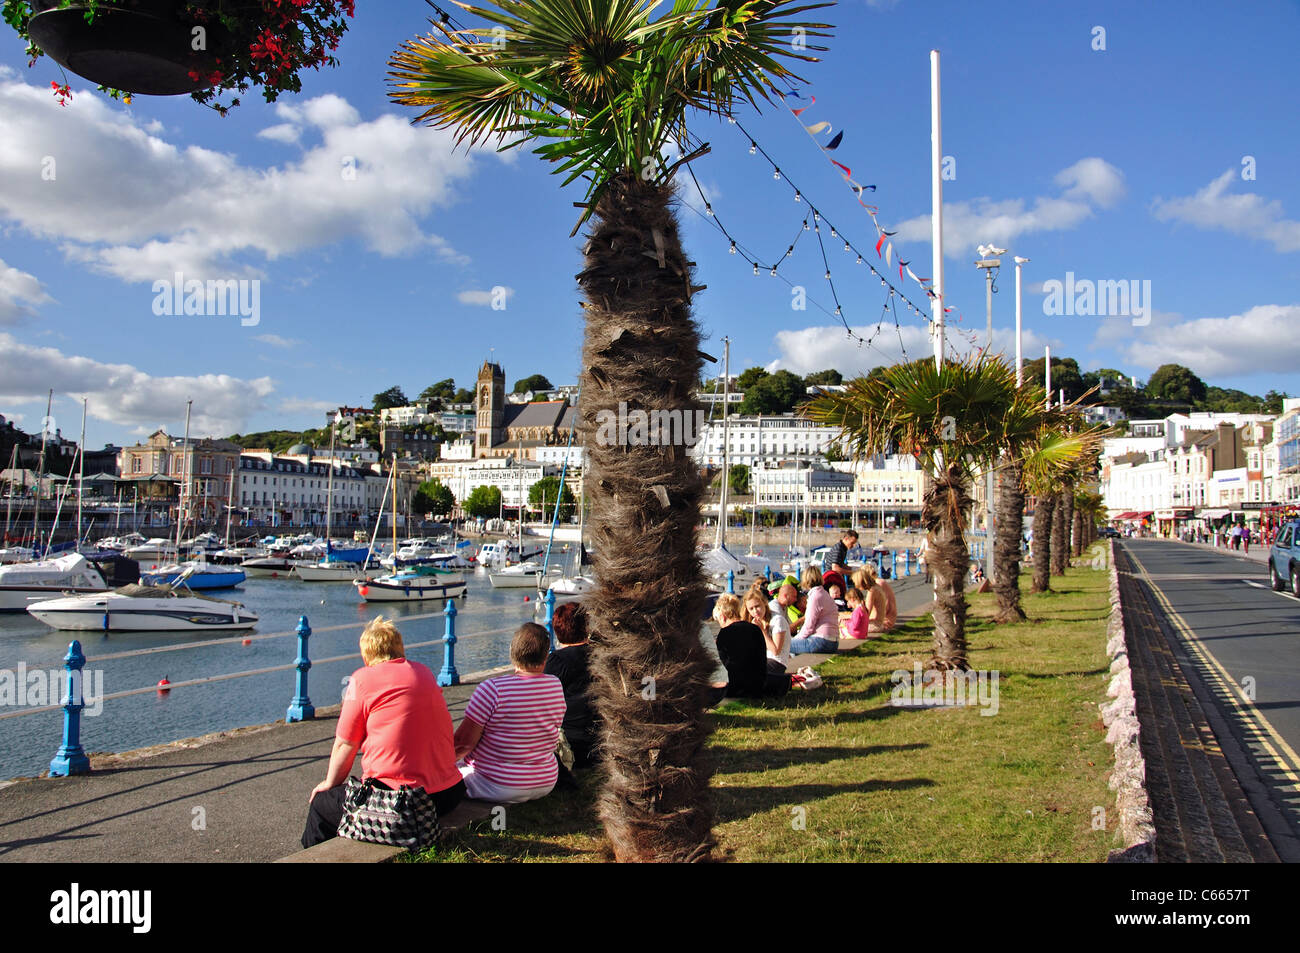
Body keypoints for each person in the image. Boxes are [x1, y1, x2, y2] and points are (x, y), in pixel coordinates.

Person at [302, 616, 465, 849]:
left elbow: (345, 744)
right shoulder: (424, 672)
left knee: (321, 804)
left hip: (403, 802)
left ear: (367, 653)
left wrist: (329, 783)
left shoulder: (361, 680)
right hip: (448, 794)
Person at [455, 622, 566, 804]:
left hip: (495, 784)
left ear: (512, 651)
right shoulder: (555, 685)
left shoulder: (492, 689)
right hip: (545, 781)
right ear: (546, 655)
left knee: (448, 774)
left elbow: (463, 744)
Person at [543, 602, 600, 769]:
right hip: (600, 738)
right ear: (586, 627)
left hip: (571, 741)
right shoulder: (600, 655)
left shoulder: (557, 661)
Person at [712, 593, 770, 701]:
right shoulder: (755, 629)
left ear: (722, 617)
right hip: (757, 688)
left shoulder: (724, 633)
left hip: (734, 689)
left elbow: (721, 665)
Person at [742, 590, 793, 697]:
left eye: (757, 606)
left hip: (776, 663)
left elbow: (776, 651)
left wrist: (762, 631)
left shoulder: (777, 620)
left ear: (764, 603)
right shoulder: (756, 622)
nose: (755, 611)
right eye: (751, 609)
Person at [790, 566, 839, 655]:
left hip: (821, 642)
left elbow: (809, 625)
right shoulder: (824, 594)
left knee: (783, 645)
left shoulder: (815, 597)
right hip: (833, 642)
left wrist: (796, 639)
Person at [860, 562, 897, 631]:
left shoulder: (874, 588)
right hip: (890, 618)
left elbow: (867, 612)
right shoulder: (880, 582)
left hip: (884, 621)